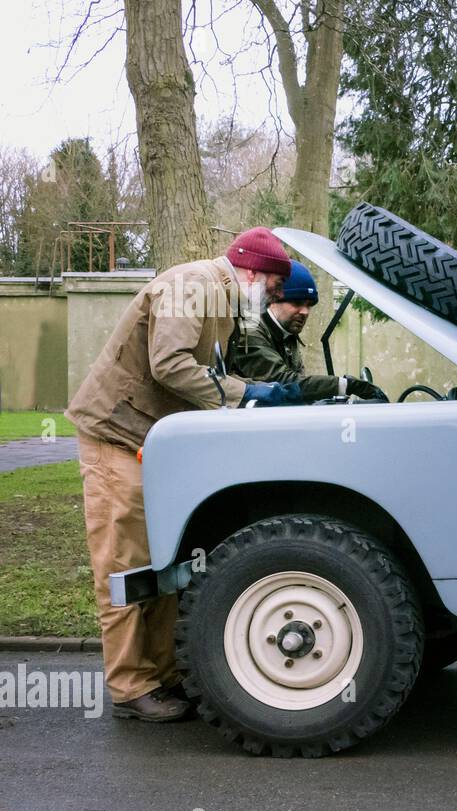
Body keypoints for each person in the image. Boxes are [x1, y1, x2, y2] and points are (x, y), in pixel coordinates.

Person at [66, 227, 304, 723]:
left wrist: (253, 390)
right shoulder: (191, 286)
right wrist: (246, 395)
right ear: (255, 274)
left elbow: (212, 370)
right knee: (125, 566)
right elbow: (170, 364)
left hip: (153, 443)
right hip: (118, 435)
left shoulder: (220, 298)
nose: (275, 301)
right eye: (277, 290)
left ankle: (165, 674)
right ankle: (131, 686)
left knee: (163, 562)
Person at [229, 259, 387, 402]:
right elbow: (284, 381)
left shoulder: (287, 334)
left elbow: (298, 390)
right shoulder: (250, 331)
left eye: (309, 305)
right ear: (273, 300)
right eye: (297, 302)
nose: (305, 311)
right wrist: (346, 385)